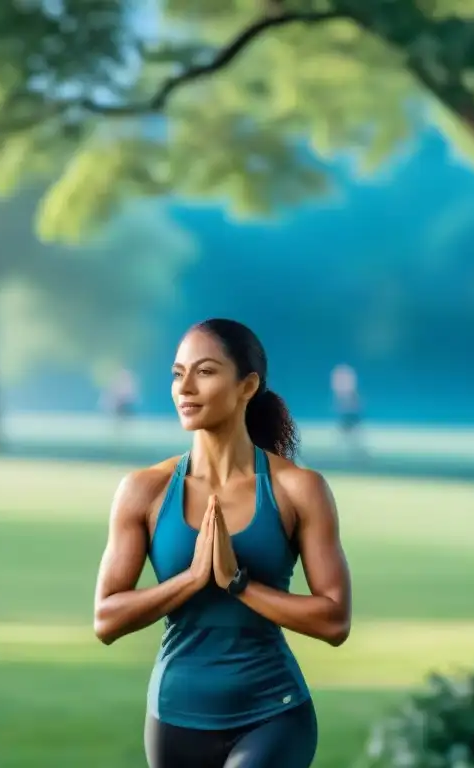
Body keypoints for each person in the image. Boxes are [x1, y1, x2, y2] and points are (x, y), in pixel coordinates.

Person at [93, 318, 353, 768]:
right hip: (174, 719)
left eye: (205, 372)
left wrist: (238, 584)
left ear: (247, 385)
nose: (185, 388)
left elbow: (334, 621)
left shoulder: (297, 489)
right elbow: (106, 619)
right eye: (178, 374)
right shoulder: (145, 491)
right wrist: (193, 579)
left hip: (273, 714)